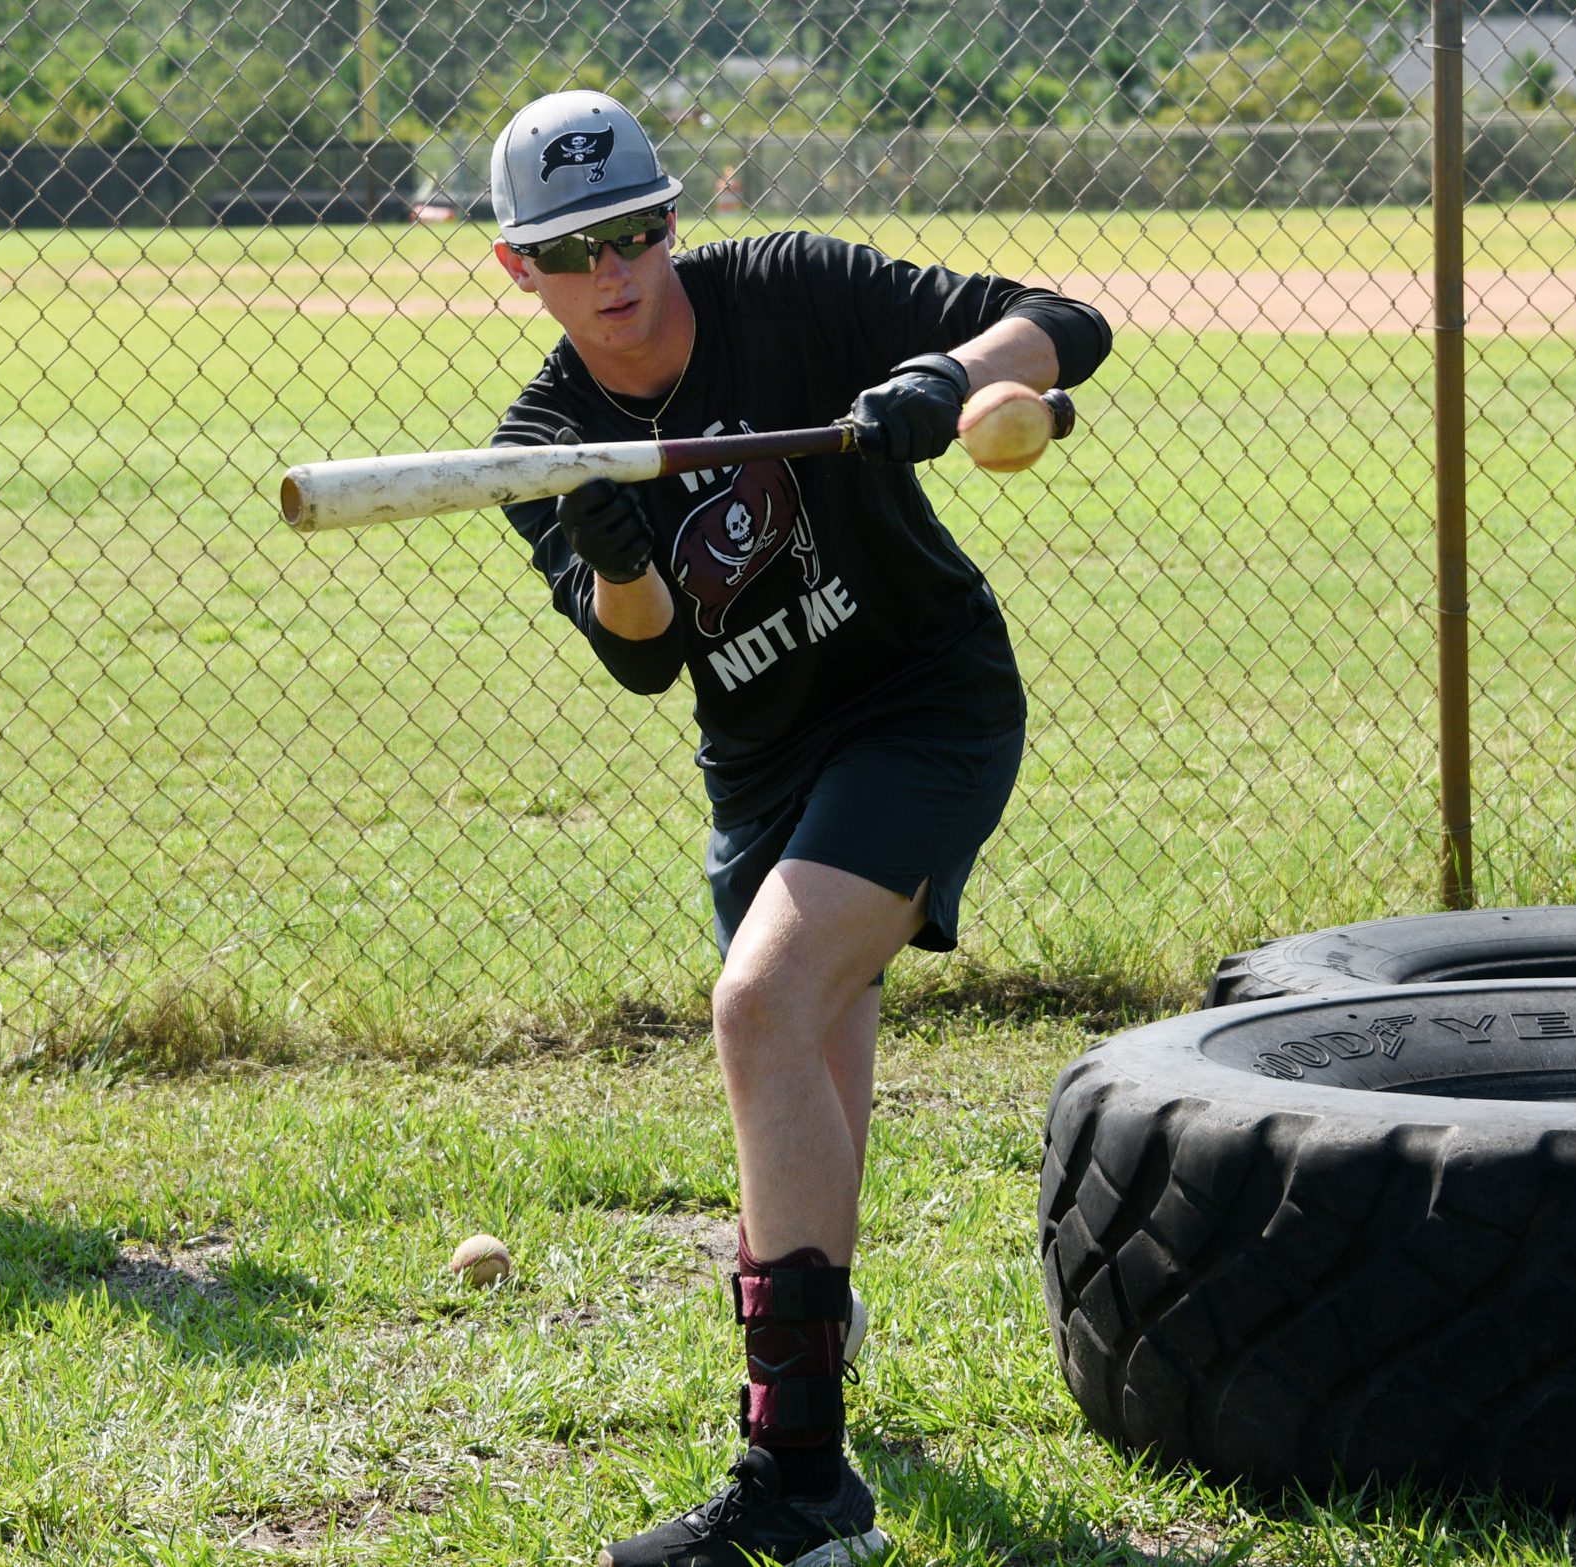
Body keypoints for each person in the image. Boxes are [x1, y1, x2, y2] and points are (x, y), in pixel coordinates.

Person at [486, 91, 1110, 1566]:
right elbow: (643, 656)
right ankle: (818, 1351)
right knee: (801, 1060)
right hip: (757, 769)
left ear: (675, 220)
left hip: (918, 703)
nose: (617, 273)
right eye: (576, 252)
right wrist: (614, 554)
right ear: (519, 268)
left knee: (758, 1005)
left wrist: (934, 379)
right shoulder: (544, 439)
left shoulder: (787, 288)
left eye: (638, 232)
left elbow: (1057, 320)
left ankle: (801, 1489)